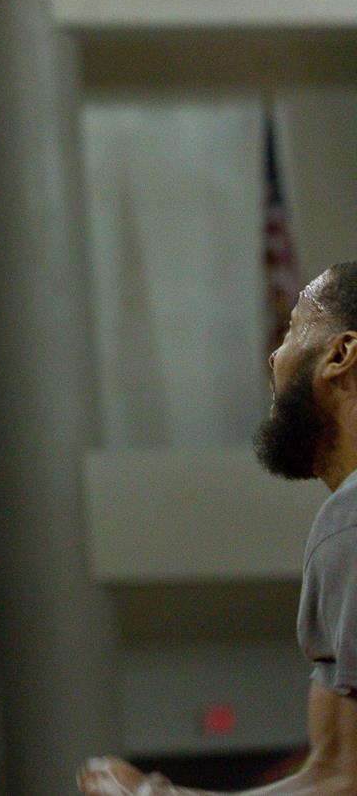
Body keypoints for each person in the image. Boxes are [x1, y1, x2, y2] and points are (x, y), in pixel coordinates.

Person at [79, 263, 357, 795]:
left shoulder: (349, 519)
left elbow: (344, 781)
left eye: (295, 328)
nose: (273, 357)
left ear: (340, 355)